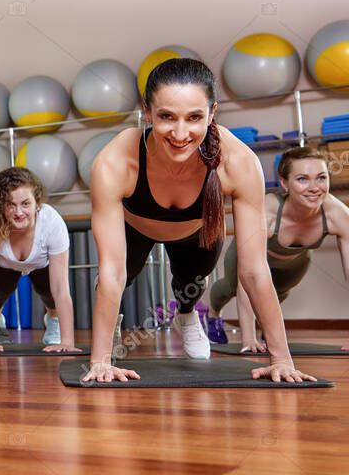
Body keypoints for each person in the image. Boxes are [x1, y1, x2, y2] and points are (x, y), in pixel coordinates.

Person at [83, 58, 315, 384]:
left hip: (197, 232)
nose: (180, 133)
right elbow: (111, 270)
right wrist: (100, 361)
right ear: (147, 113)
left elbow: (252, 268)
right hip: (135, 227)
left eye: (194, 117)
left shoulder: (238, 162)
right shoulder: (115, 161)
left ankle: (187, 316)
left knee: (190, 286)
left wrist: (282, 359)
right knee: (116, 280)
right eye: (166, 117)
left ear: (212, 112)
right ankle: (111, 333)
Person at [208, 146, 349, 351]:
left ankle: (269, 328)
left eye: (321, 178)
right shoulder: (267, 212)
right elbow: (248, 279)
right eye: (302, 179)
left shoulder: (338, 215)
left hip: (295, 260)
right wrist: (249, 340)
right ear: (284, 183)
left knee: (279, 291)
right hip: (251, 255)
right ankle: (213, 316)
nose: (314, 187)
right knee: (229, 288)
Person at [0, 167, 80, 354]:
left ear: (37, 203)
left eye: (25, 204)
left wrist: (68, 341)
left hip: (41, 264)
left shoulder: (52, 223)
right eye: (10, 205)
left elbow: (61, 288)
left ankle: (53, 321)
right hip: (5, 264)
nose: (19, 212)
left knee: (50, 294)